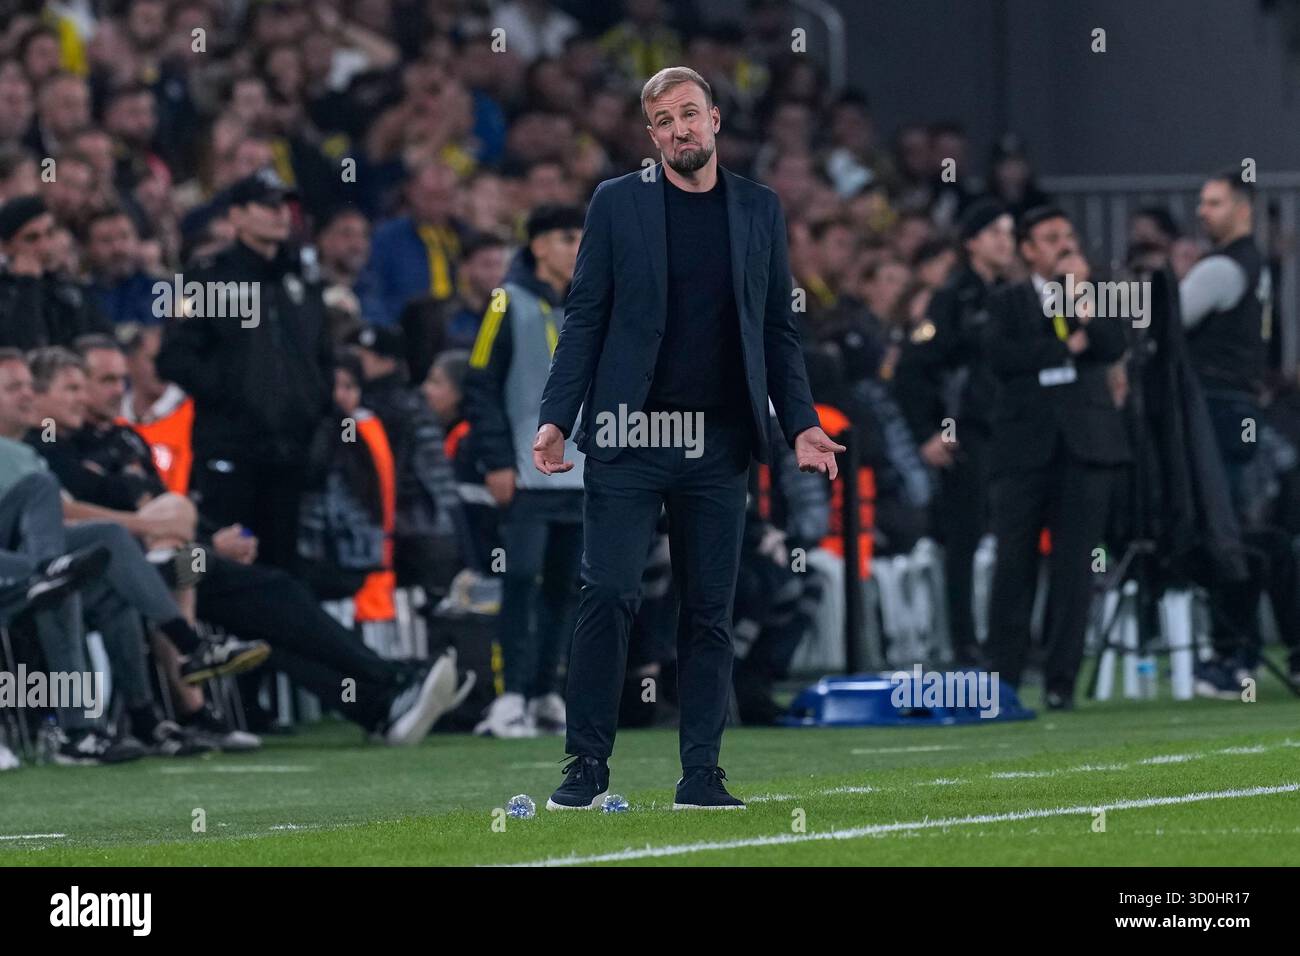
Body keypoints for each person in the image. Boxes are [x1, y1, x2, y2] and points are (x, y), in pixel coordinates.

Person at [533, 67, 842, 810]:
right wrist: (556, 417)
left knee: (708, 611)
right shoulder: (616, 203)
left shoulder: (759, 208)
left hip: (718, 440)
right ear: (651, 135)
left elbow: (776, 329)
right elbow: (585, 316)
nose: (680, 130)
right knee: (609, 592)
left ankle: (701, 773)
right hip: (628, 434)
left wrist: (802, 423)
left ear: (714, 119)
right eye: (664, 121)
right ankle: (585, 765)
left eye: (689, 114)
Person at [983, 207, 1131, 709]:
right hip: (1023, 449)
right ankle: (1003, 677)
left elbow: (1112, 344)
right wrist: (1068, 348)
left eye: (1069, 236)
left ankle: (1059, 681)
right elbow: (1003, 360)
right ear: (1027, 249)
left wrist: (1080, 300)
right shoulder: (1005, 301)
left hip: (1086, 447)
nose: (1065, 245)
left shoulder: (1094, 293)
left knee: (1074, 568)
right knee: (1014, 562)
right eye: (1051, 238)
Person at [156, 168, 333, 571]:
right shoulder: (208, 277)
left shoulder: (302, 280)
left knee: (285, 568)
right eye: (267, 205)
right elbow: (174, 357)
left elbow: (322, 356)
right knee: (230, 562)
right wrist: (233, 394)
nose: (280, 214)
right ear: (236, 216)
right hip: (231, 448)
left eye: (284, 205)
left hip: (292, 451)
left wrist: (315, 408)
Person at [464, 204, 586, 738]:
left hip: (580, 472)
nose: (577, 248)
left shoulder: (589, 304)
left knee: (566, 586)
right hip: (524, 470)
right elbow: (480, 384)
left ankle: (545, 692)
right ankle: (509, 694)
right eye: (566, 237)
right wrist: (495, 461)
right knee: (519, 579)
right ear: (537, 246)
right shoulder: (504, 300)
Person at [893, 199, 1016, 664]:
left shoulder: (1011, 295)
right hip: (966, 433)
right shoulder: (951, 299)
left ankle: (1008, 638)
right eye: (995, 233)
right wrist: (928, 433)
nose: (1005, 242)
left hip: (1009, 433)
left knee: (1011, 537)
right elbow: (911, 369)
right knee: (964, 540)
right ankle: (965, 642)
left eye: (1009, 233)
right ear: (972, 243)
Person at [1180, 170, 1273, 696]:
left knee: (1221, 529)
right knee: (1239, 524)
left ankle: (1230, 652)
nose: (1202, 212)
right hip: (1241, 404)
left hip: (1215, 407)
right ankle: (1242, 651)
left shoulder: (1220, 268)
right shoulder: (1258, 266)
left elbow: (1165, 321)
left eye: (1213, 203)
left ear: (1243, 209)